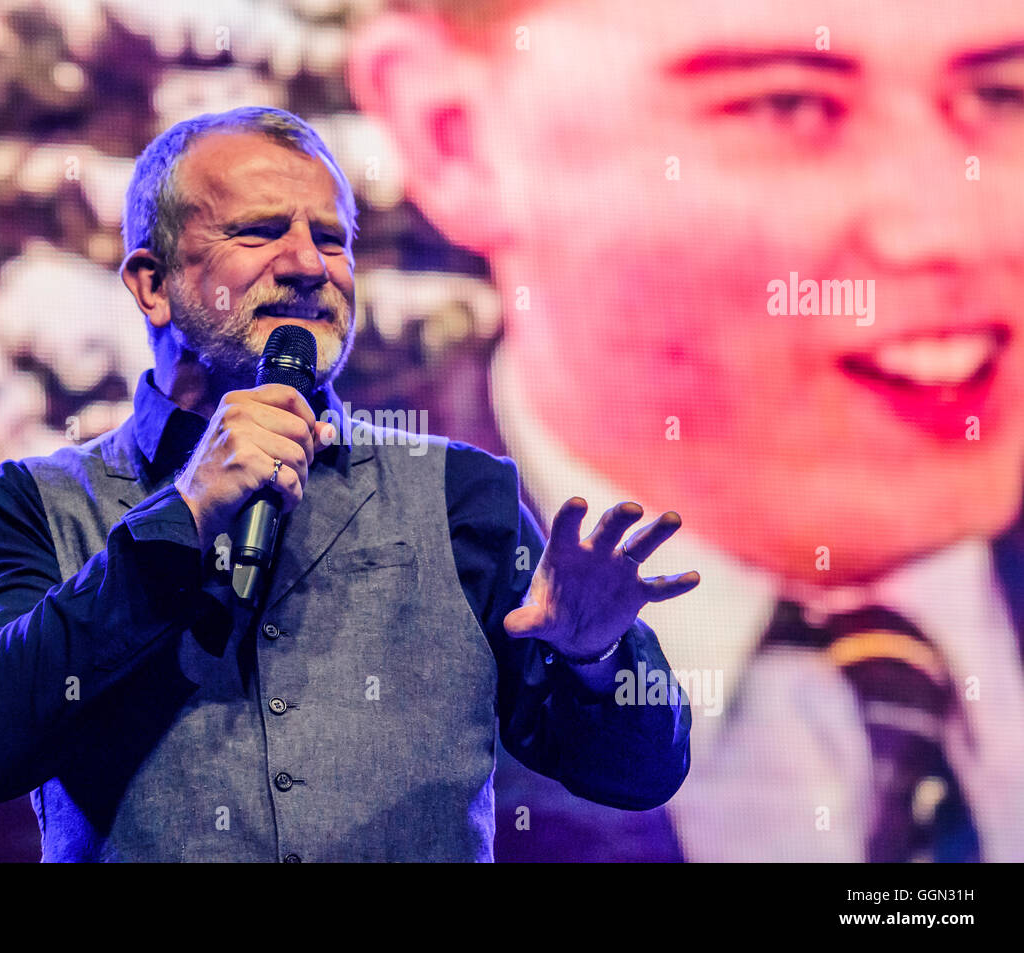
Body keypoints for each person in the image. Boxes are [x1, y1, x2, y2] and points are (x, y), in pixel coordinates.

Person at [0, 106, 701, 862]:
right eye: (260, 231)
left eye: (331, 239)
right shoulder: (31, 503)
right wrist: (183, 514)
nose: (308, 265)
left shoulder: (462, 492)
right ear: (151, 283)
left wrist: (597, 658)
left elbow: (640, 773)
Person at [348, 0, 1024, 860]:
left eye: (1006, 95)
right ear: (455, 137)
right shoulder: (298, 623)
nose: (945, 230)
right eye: (785, 106)